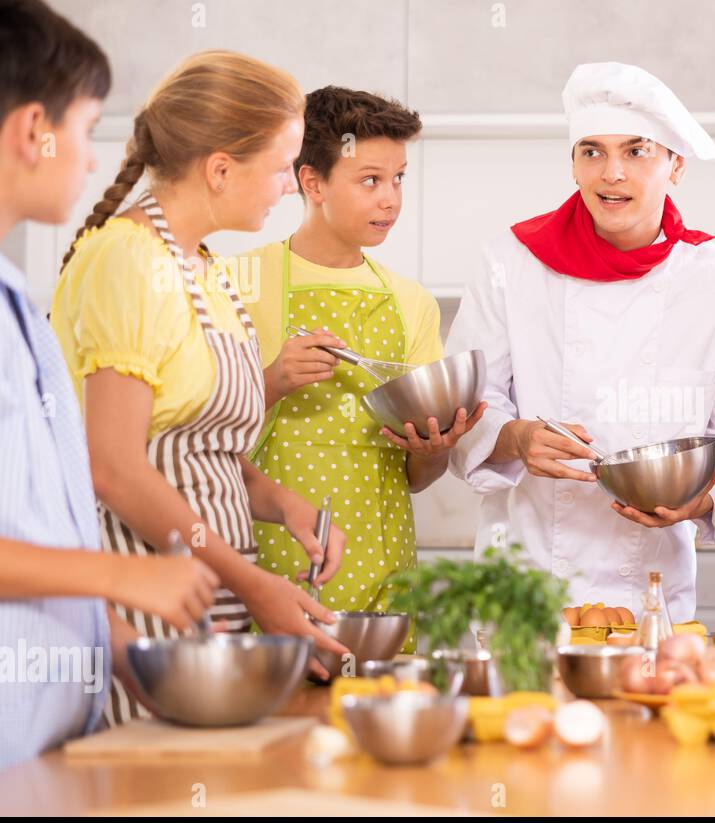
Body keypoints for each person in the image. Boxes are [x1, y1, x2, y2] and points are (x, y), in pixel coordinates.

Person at [51, 50, 349, 722]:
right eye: (280, 167)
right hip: (140, 603)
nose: (289, 188)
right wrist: (249, 581)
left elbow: (197, 448)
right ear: (220, 168)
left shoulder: (209, 270)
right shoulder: (128, 260)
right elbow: (115, 469)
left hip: (208, 601)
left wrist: (281, 502)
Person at [445, 62, 715, 616]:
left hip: (648, 585)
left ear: (676, 165)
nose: (611, 173)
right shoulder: (511, 263)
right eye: (592, 151)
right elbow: (465, 403)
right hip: (527, 578)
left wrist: (700, 498)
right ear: (573, 166)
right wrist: (517, 437)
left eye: (636, 151)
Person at [0, 0, 218, 766]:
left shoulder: (17, 310)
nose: (93, 160)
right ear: (35, 131)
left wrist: (125, 653)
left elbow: (36, 535)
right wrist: (124, 573)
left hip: (42, 748)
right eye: (87, 130)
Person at [243, 86, 484, 612]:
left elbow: (419, 479)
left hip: (385, 570)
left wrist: (436, 448)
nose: (391, 198)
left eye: (399, 179)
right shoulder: (239, 282)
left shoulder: (409, 301)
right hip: (268, 568)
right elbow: (193, 440)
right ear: (313, 183)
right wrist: (274, 379)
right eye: (370, 180)